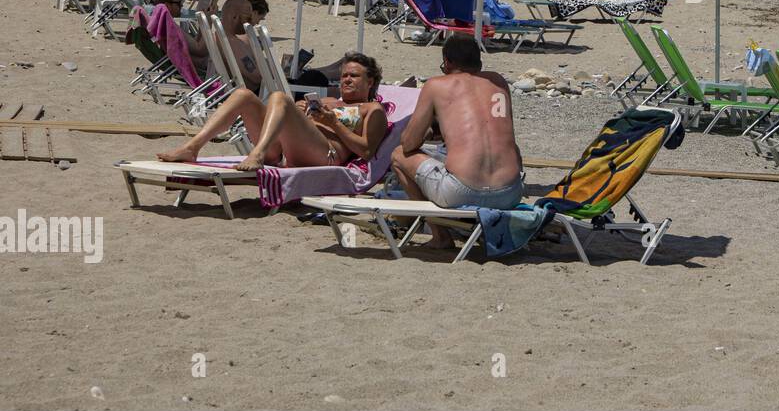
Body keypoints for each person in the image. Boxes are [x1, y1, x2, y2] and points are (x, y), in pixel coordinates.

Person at [391, 35, 525, 249]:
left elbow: (409, 144)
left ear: (447, 62)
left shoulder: (436, 85)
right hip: (509, 193)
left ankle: (440, 235)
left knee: (399, 155)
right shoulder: (498, 82)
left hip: (461, 191)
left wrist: (428, 131)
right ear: (479, 62)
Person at [158, 53, 387, 172]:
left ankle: (257, 154)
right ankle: (192, 148)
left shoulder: (372, 110)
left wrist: (334, 123)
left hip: (326, 155)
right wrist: (301, 113)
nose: (346, 80)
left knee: (279, 97)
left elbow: (367, 151)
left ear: (370, 81)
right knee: (243, 95)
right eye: (344, 75)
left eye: (354, 76)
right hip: (288, 150)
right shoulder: (328, 101)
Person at [152, 0, 207, 67]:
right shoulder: (170, 28)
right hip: (201, 65)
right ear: (167, 5)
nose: (181, 5)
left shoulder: (162, 26)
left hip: (194, 62)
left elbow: (194, 44)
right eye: (178, 3)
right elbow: (200, 51)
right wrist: (208, 22)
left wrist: (202, 24)